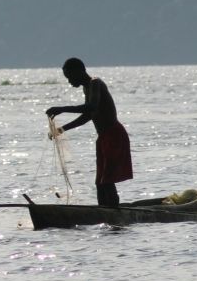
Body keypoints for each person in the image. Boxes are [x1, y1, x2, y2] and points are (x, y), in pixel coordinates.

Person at [45, 58, 132, 206]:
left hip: (114, 135)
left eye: (70, 77)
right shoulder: (87, 88)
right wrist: (61, 129)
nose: (69, 81)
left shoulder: (95, 83)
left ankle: (114, 213)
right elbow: (87, 116)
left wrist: (61, 108)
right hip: (103, 138)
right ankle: (103, 211)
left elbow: (91, 107)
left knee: (107, 180)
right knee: (100, 181)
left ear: (79, 71)